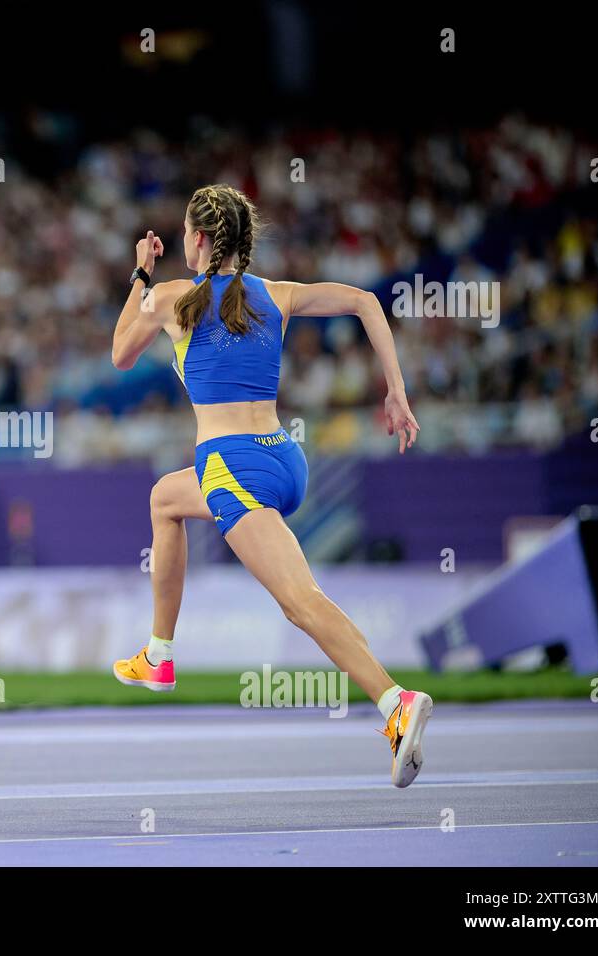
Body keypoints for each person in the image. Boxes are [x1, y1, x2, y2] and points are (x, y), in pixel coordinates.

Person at [109, 184, 432, 788]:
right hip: (283, 461)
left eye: (184, 232)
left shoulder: (174, 298)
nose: (181, 241)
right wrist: (396, 391)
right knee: (165, 498)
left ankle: (395, 702)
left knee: (299, 602)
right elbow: (365, 301)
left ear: (200, 240)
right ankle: (158, 654)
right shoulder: (276, 295)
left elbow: (120, 354)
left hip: (232, 468)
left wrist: (139, 273)